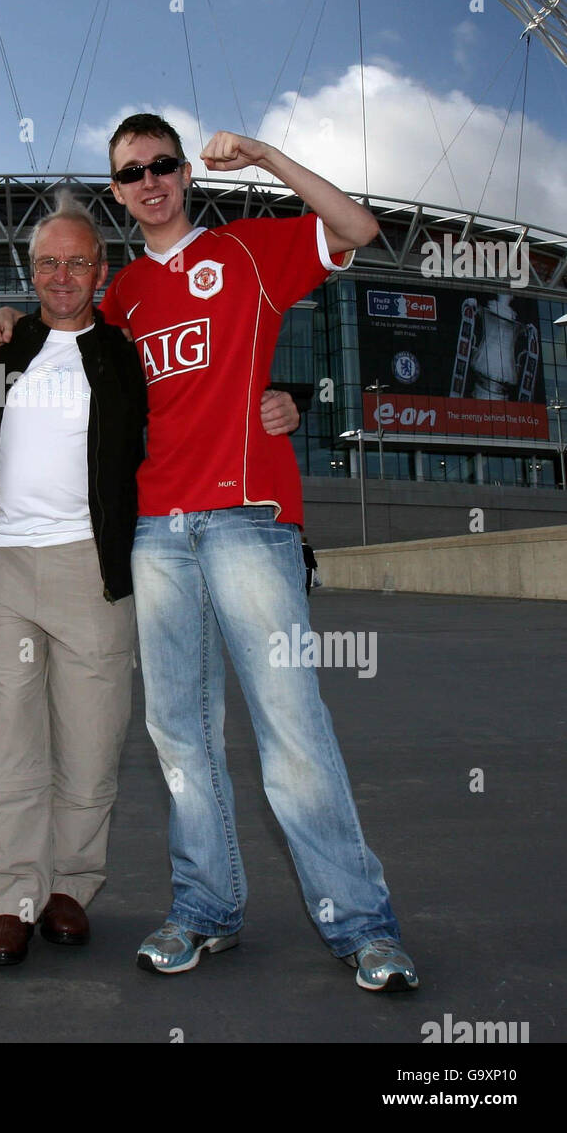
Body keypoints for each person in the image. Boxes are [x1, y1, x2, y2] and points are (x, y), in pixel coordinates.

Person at [100, 114, 416, 991]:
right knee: (179, 735)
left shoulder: (246, 251)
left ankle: (363, 924)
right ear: (119, 192)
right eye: (133, 172)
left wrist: (268, 157)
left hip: (246, 521)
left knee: (292, 731)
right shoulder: (121, 296)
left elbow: (357, 230)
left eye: (164, 164)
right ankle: (206, 910)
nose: (152, 180)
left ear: (185, 175)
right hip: (156, 533)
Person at [0, 197, 299, 966]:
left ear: (100, 272)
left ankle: (68, 890)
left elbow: (204, 393)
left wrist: (285, 399)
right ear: (32, 271)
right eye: (47, 262)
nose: (61, 276)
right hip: (9, 566)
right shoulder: (4, 346)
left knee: (90, 739)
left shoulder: (126, 352)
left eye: (77, 262)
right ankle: (10, 897)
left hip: (97, 567)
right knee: (10, 741)